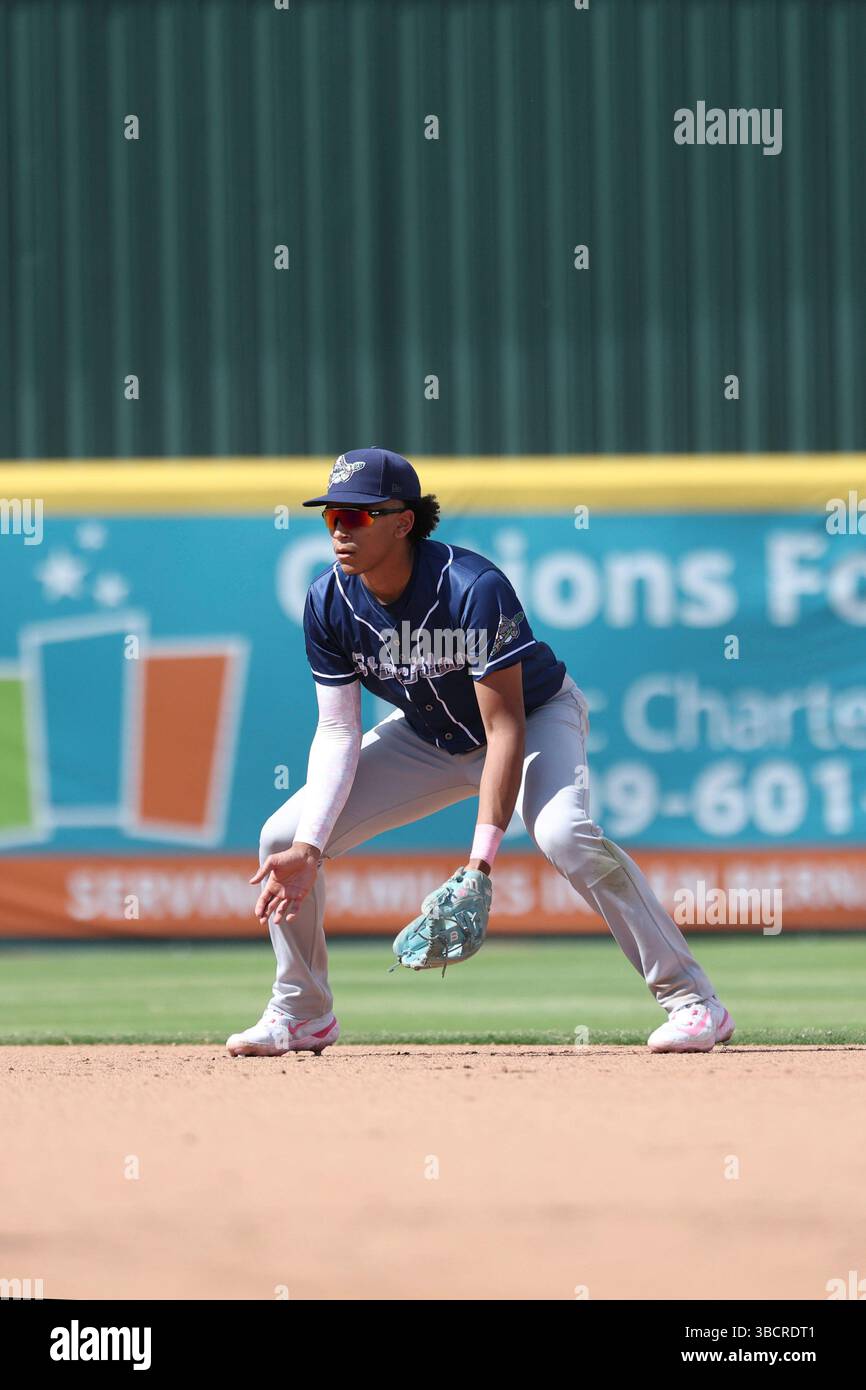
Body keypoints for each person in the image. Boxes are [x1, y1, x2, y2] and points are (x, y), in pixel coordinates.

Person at [226, 447, 735, 1057]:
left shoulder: (471, 587)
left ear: (403, 521)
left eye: (359, 516)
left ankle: (693, 1001)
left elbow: (505, 729)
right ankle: (302, 1012)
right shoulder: (329, 601)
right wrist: (310, 848)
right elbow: (337, 732)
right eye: (332, 514)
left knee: (567, 835)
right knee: (280, 837)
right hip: (427, 735)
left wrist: (479, 865)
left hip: (535, 718)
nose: (340, 528)